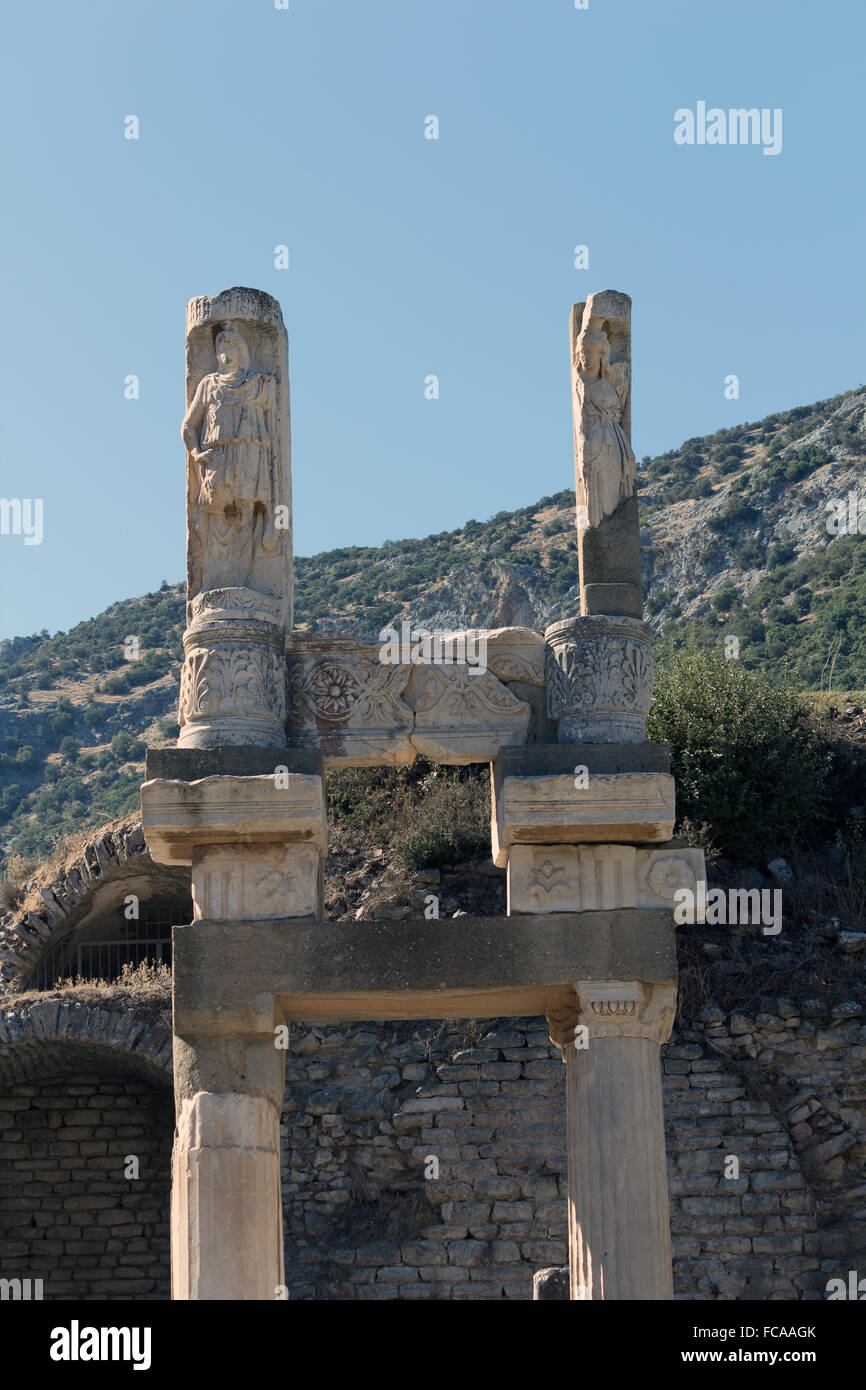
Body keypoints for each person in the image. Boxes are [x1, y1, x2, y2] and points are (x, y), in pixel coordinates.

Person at [182, 322, 279, 592]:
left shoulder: (259, 384)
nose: (225, 351)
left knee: (245, 516)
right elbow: (189, 425)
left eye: (231, 345)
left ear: (242, 350)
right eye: (220, 346)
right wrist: (197, 453)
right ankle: (213, 582)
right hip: (217, 458)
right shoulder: (208, 384)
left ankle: (242, 580)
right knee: (214, 516)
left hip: (248, 457)